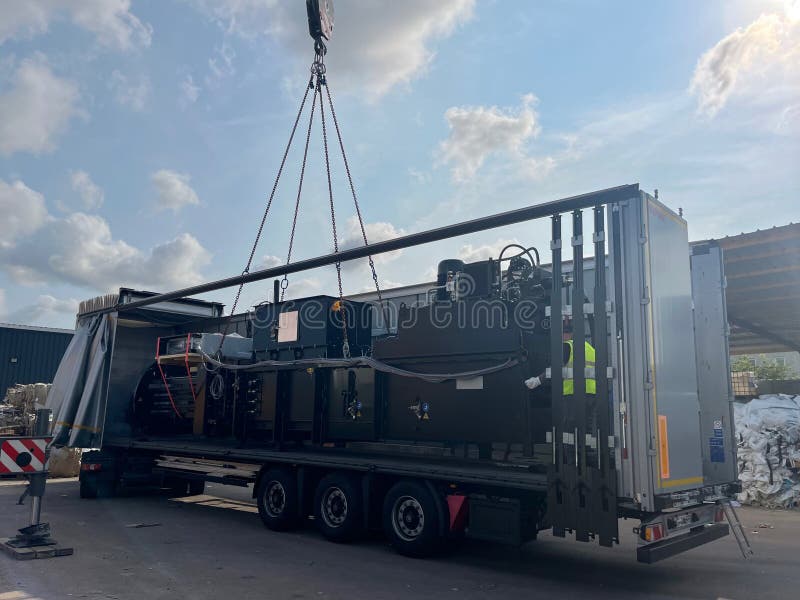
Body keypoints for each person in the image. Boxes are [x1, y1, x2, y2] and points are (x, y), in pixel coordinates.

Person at [524, 334, 596, 395]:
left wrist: (538, 380)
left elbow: (556, 367)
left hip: (572, 393)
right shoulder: (590, 348)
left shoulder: (567, 345)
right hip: (592, 393)